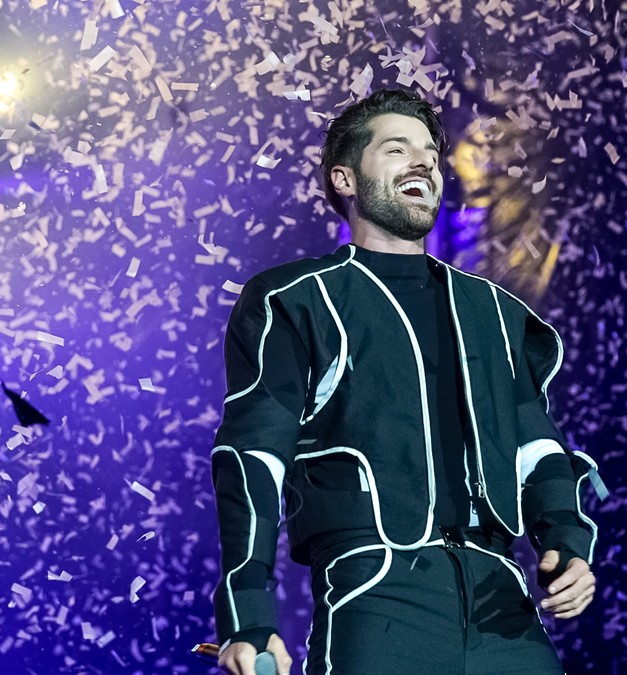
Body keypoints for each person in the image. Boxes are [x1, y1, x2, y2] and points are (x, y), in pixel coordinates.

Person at [211, 88, 599, 675]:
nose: (424, 162)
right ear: (345, 179)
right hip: (376, 594)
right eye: (397, 149)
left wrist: (567, 544)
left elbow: (537, 445)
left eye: (430, 154)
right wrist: (248, 615)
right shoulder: (297, 298)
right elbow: (253, 455)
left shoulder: (493, 310)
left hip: (504, 607)